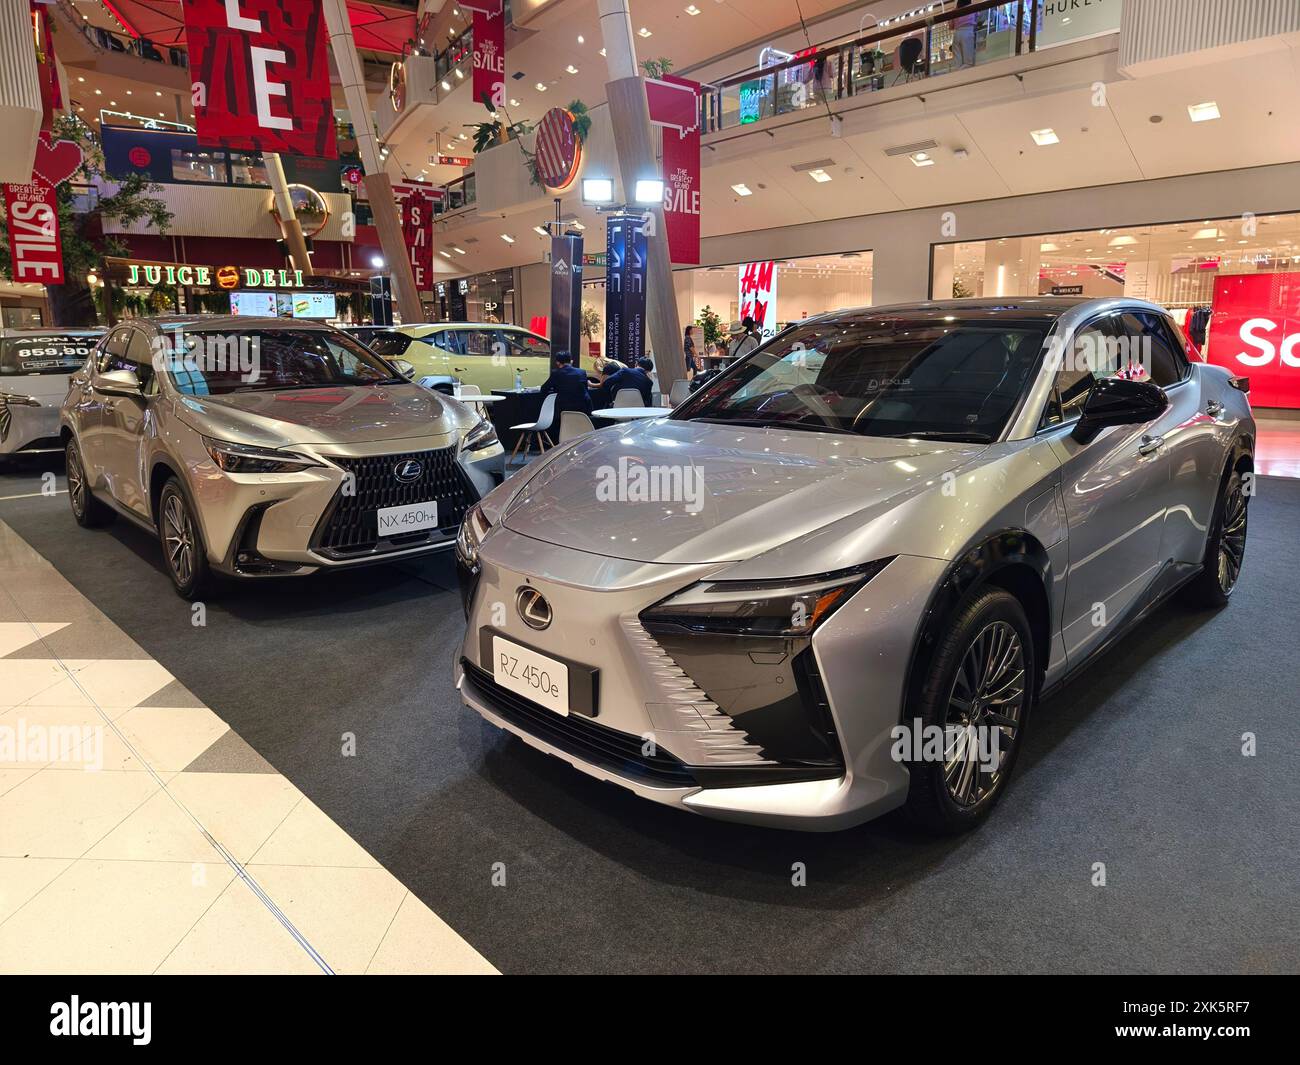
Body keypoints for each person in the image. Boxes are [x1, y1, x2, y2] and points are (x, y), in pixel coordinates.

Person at [952, 0, 978, 69]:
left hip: (956, 33)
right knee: (968, 63)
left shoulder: (954, 11)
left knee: (957, 64)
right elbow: (977, 19)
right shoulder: (973, 8)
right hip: (968, 31)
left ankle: (957, 77)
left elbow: (950, 26)